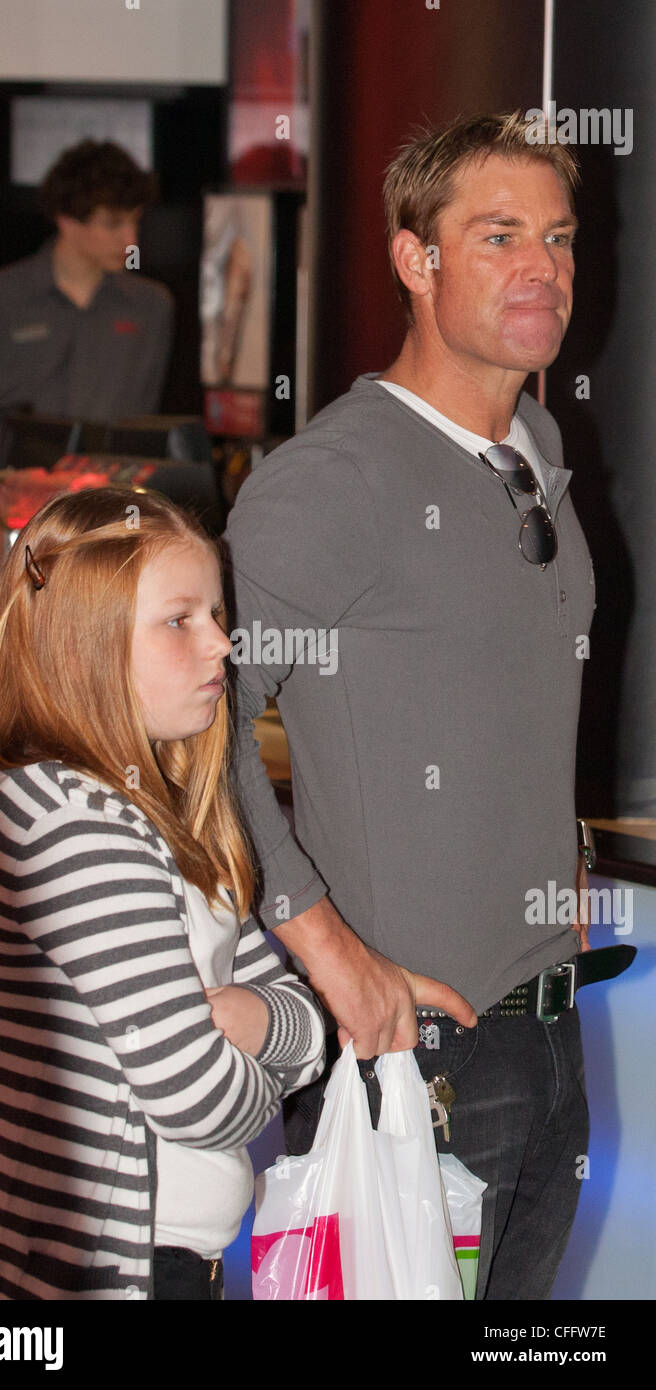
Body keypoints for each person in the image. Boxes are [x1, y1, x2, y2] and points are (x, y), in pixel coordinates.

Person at [223, 111, 621, 1300]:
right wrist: (329, 952)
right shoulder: (333, 478)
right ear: (416, 259)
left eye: (556, 236)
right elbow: (185, 732)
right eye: (498, 236)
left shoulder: (538, 445)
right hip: (416, 1054)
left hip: (549, 1030)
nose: (541, 267)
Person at [0, 486, 325, 1301]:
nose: (223, 643)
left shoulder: (162, 806)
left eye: (217, 613)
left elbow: (299, 1011)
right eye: (181, 619)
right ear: (88, 644)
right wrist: (274, 1055)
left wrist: (260, 1022)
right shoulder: (75, 820)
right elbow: (201, 1102)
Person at [0, 141, 174, 422]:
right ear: (67, 220)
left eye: (135, 221)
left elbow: (144, 418)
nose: (130, 240)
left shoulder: (151, 306)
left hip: (108, 466)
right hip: (14, 465)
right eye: (112, 224)